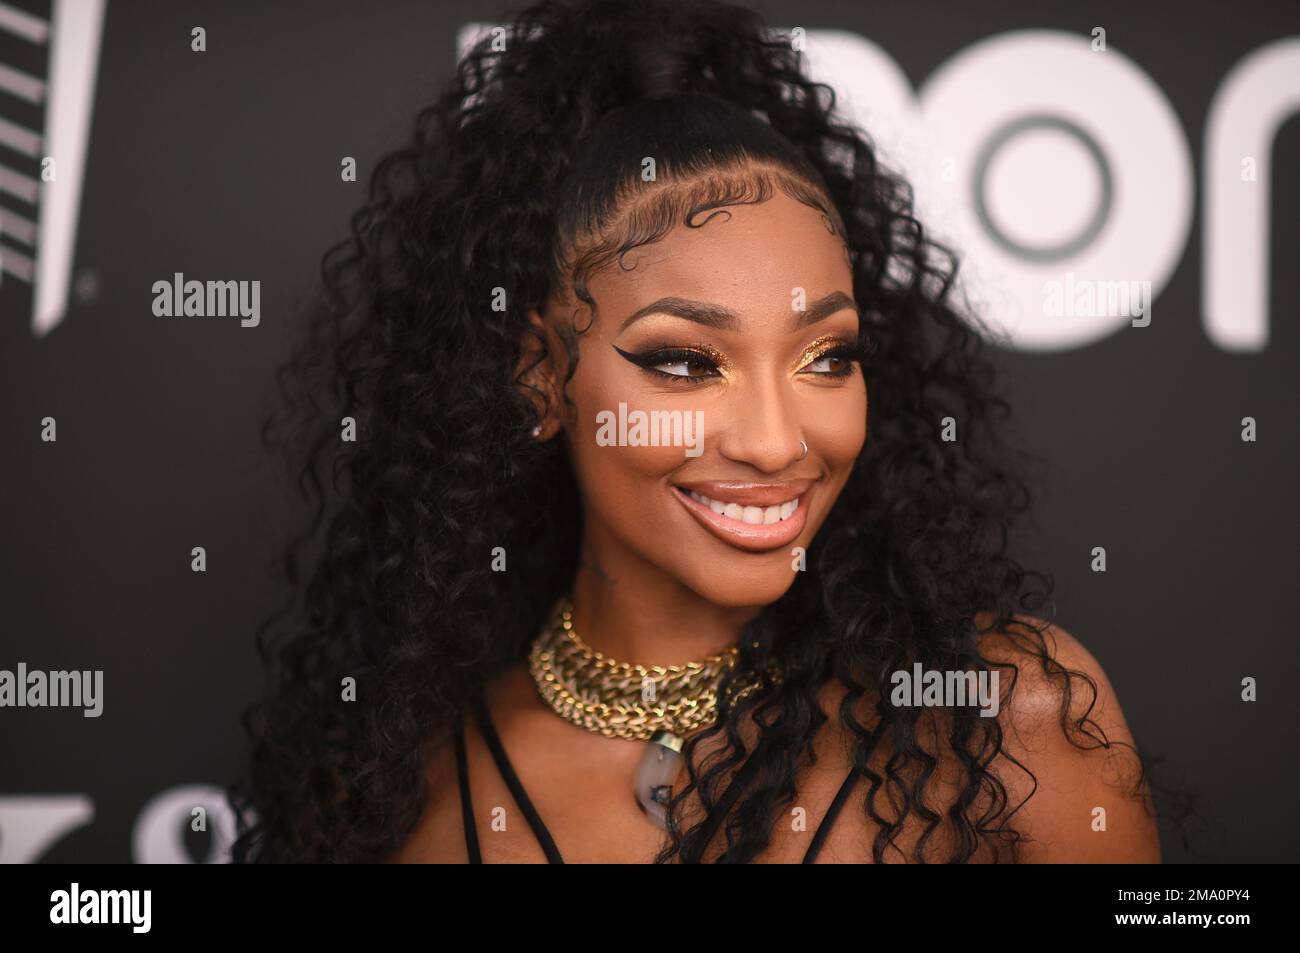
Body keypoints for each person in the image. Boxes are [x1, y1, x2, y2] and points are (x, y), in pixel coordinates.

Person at [229, 0, 1160, 864]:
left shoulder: (1002, 722)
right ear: (540, 374)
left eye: (825, 356)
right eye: (685, 362)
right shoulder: (401, 793)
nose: (773, 441)